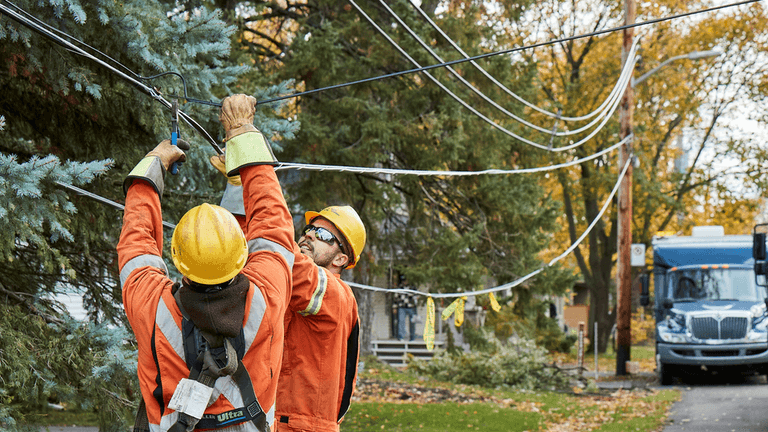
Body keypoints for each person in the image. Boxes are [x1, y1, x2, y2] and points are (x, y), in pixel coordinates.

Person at [118, 94, 294, 432]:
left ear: (179, 261)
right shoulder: (267, 295)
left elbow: (136, 243)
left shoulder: (153, 307)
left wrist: (153, 163)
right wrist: (241, 130)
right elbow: (272, 221)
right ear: (241, 255)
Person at [210, 145, 365, 432]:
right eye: (307, 229)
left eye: (322, 234)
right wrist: (238, 186)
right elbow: (248, 251)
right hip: (274, 418)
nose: (307, 235)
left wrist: (252, 165)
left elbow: (280, 254)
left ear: (341, 258)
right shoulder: (301, 288)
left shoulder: (335, 295)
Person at [394, 276, 418, 341]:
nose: (404, 282)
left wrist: (415, 303)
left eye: (405, 280)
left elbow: (416, 296)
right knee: (401, 322)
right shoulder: (399, 288)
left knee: (412, 322)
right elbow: (396, 298)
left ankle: (412, 337)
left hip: (411, 307)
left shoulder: (413, 287)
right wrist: (395, 307)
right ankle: (401, 337)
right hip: (402, 307)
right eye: (403, 281)